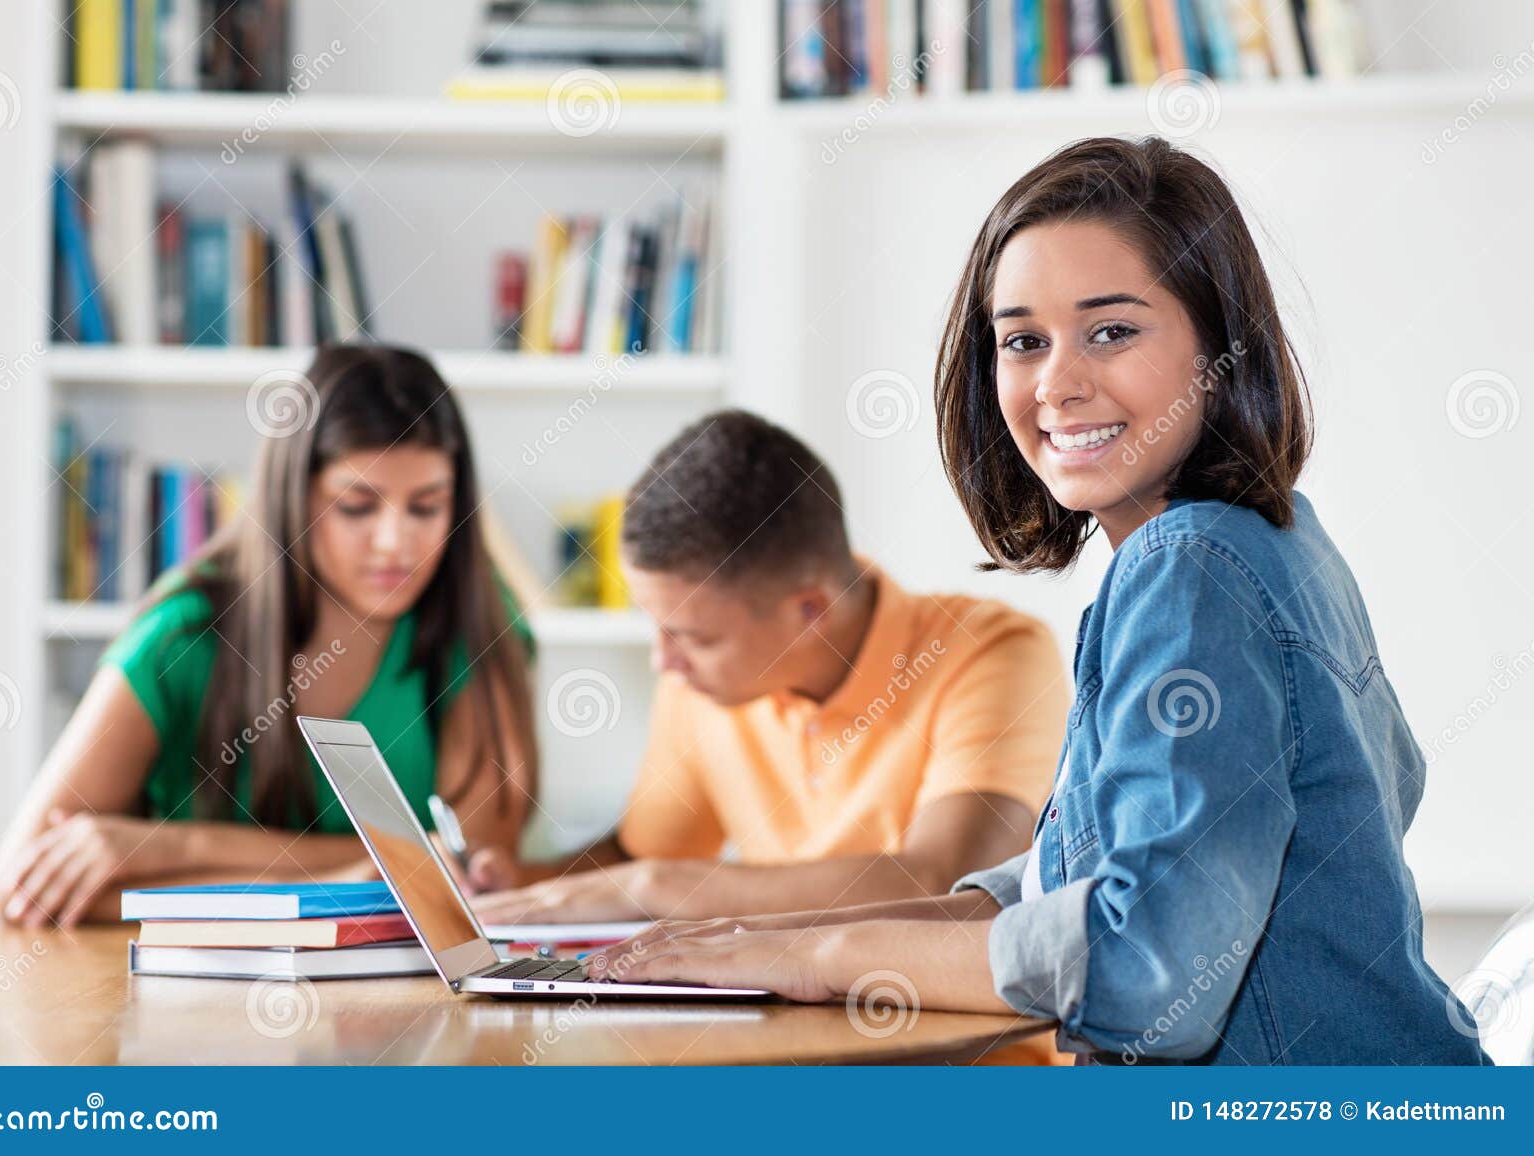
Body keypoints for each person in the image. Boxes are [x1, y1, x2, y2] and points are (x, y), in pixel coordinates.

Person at [586, 137, 1491, 1066]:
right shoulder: (1269, 537)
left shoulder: (1193, 567)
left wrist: (823, 953)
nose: (1057, 383)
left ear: (1218, 347)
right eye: (1022, 341)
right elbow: (1085, 879)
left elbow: (1150, 973)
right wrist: (771, 944)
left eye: (1112, 331)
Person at [0, 346, 537, 929]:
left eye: (427, 507)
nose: (395, 544)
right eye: (356, 507)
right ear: (291, 499)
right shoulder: (183, 635)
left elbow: (467, 874)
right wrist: (351, 874)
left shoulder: (479, 624)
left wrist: (165, 849)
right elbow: (20, 886)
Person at [471, 409, 1066, 927]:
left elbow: (945, 882)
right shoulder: (701, 682)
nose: (664, 661)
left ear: (808, 611)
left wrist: (662, 888)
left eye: (692, 636)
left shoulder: (991, 652)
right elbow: (638, 860)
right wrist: (511, 885)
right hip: (782, 1041)